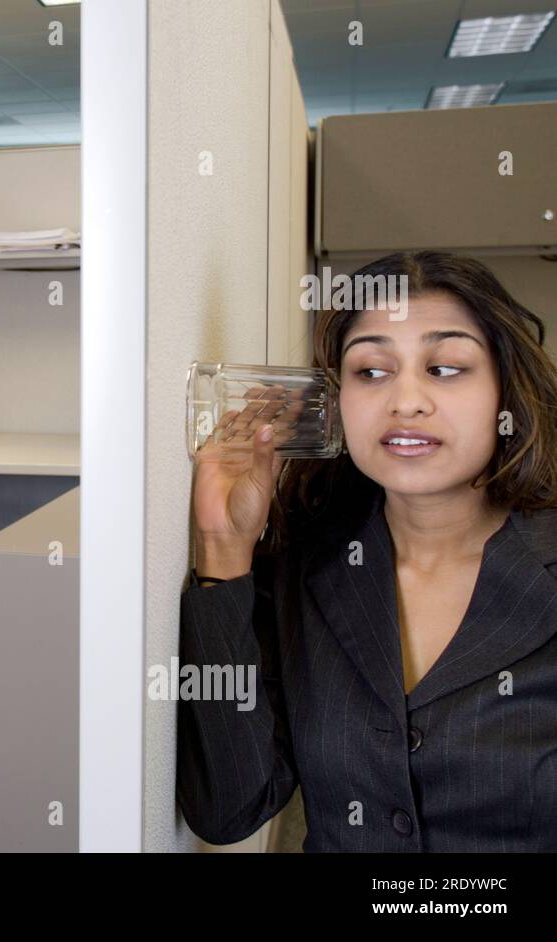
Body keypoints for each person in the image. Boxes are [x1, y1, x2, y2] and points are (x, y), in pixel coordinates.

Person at [178, 251, 557, 851]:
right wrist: (222, 550)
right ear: (336, 402)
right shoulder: (307, 568)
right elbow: (230, 808)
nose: (406, 401)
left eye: (447, 367)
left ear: (506, 392)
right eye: (372, 372)